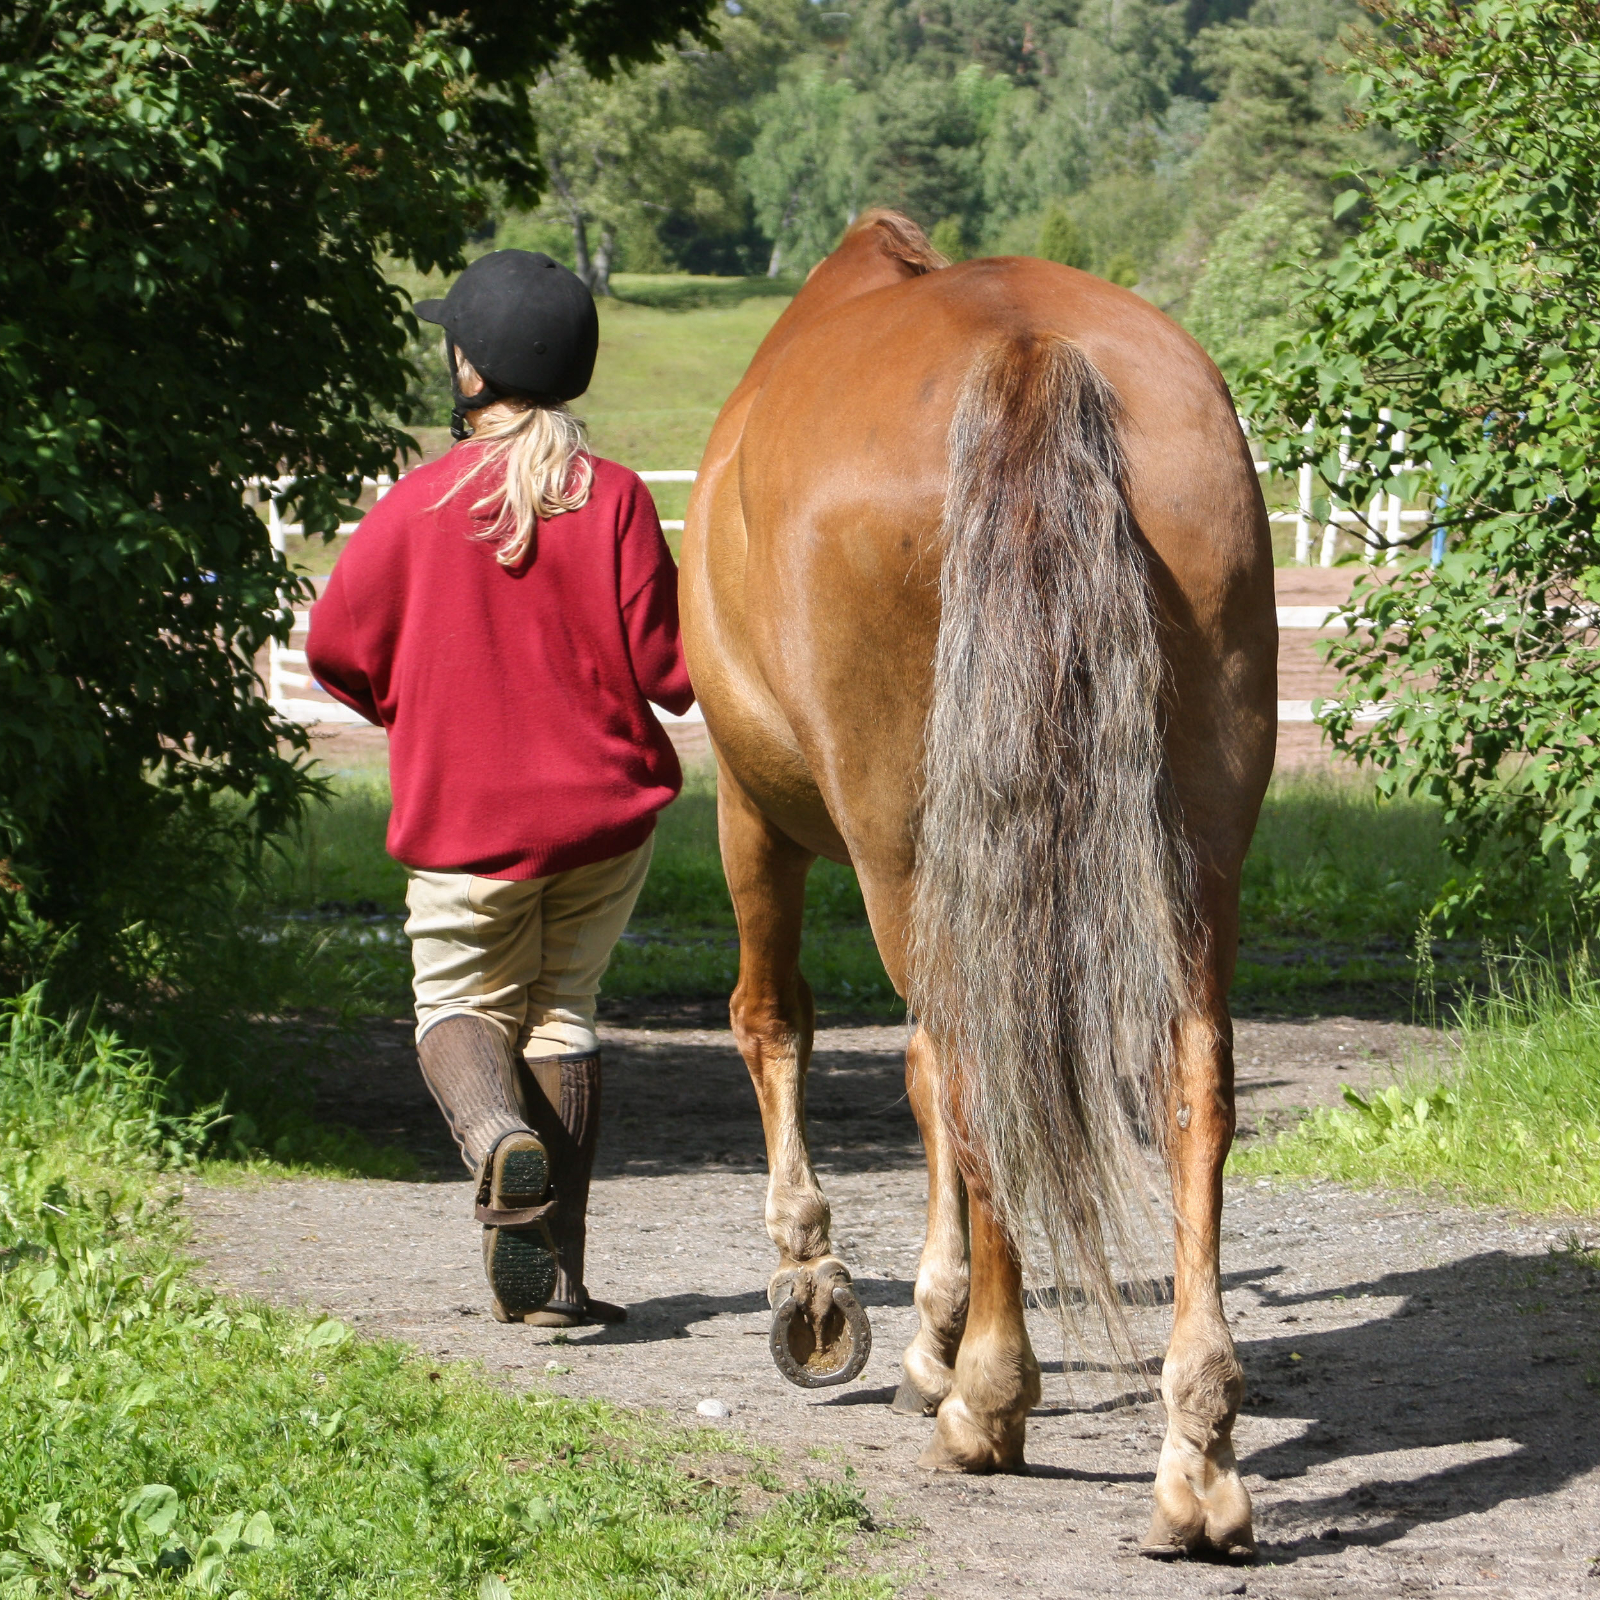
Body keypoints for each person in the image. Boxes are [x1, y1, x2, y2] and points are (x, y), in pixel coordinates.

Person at [306, 249, 694, 1326]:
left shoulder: (420, 502)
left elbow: (336, 644)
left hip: (466, 823)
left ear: (470, 369)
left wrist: (420, 707)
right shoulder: (613, 498)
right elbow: (670, 671)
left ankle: (494, 1140)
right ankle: (557, 1278)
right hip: (606, 821)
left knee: (457, 1007)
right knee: (562, 1014)